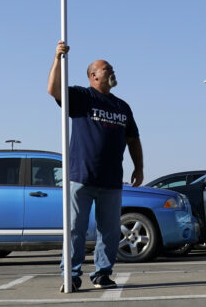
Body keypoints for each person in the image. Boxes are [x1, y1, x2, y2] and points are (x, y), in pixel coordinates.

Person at [48, 41, 143, 291]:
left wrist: (139, 167)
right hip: (81, 177)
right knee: (75, 231)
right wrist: (58, 58)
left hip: (111, 180)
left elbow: (133, 139)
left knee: (110, 231)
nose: (112, 71)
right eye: (107, 69)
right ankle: (71, 274)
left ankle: (102, 273)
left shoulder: (122, 107)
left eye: (111, 68)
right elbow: (53, 90)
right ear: (93, 75)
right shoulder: (81, 97)